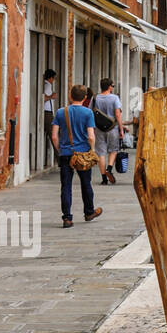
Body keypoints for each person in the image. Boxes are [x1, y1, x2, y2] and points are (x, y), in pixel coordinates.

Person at [52, 84, 103, 229]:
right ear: (85, 97)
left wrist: (60, 149)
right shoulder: (88, 113)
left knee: (66, 186)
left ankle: (67, 218)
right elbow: (91, 136)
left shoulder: (61, 112)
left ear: (70, 96)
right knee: (86, 183)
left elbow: (55, 136)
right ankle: (89, 212)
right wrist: (92, 150)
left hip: (66, 154)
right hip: (83, 153)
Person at [92, 78, 124, 185]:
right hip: (112, 128)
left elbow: (91, 112)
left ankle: (104, 179)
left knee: (101, 153)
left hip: (99, 129)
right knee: (113, 150)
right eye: (113, 86)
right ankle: (109, 169)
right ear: (109, 86)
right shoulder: (115, 98)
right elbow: (117, 114)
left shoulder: (95, 98)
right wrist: (121, 128)